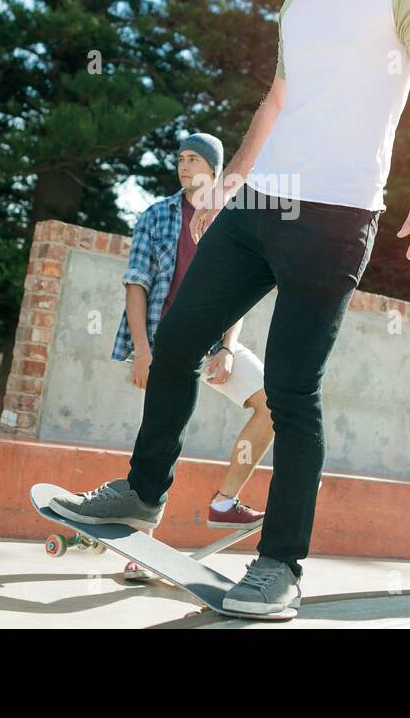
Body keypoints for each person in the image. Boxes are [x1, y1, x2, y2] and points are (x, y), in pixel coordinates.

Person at [51, 0, 410, 618]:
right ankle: (143, 494)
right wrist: (229, 183)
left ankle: (279, 564)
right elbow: (277, 99)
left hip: (338, 215)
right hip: (260, 209)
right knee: (177, 340)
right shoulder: (299, 6)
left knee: (289, 389)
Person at [109, 133, 274, 581]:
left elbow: (238, 293)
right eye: (180, 158)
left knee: (272, 403)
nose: (184, 166)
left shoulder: (232, 220)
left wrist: (226, 347)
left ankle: (225, 502)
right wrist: (143, 352)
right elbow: (136, 285)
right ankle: (139, 547)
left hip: (213, 342)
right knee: (163, 442)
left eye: (195, 159)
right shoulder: (156, 215)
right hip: (165, 344)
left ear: (217, 169)